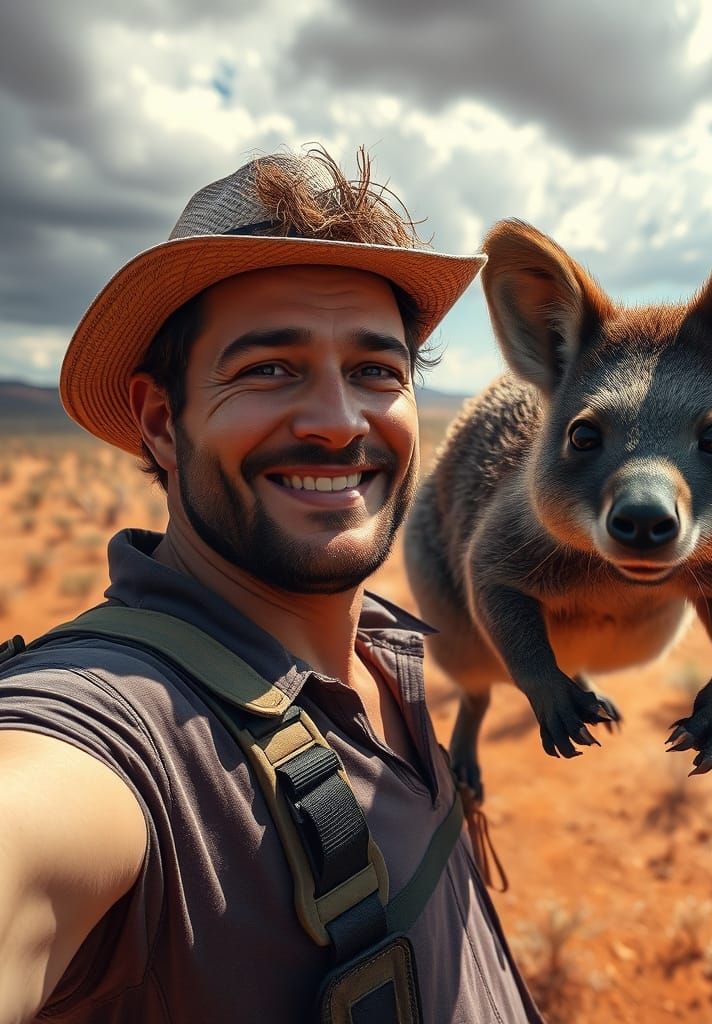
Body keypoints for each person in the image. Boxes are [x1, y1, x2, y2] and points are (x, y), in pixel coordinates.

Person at [0, 146, 543, 1022]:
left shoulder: (386, 653)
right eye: (268, 369)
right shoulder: (116, 732)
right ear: (161, 421)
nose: (338, 421)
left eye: (377, 370)